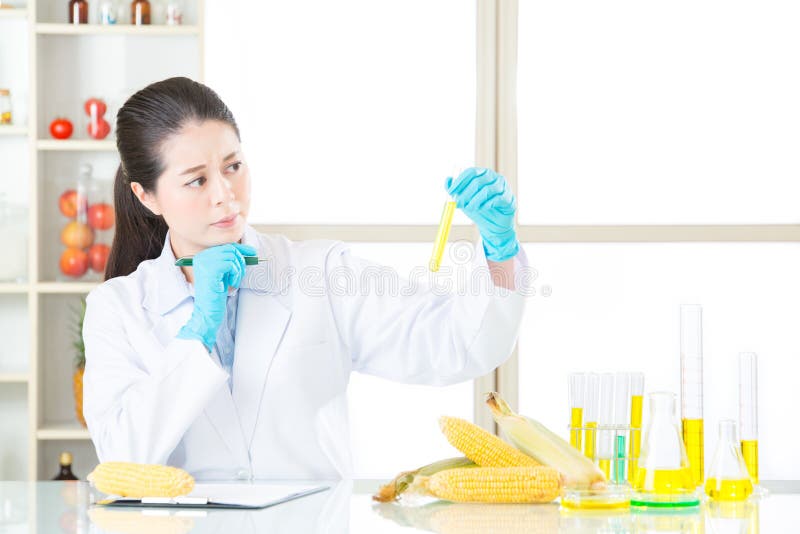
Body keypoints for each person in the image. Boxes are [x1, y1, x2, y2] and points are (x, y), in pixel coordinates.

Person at [82, 76, 531, 480]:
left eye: (233, 167)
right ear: (147, 196)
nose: (225, 195)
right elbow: (121, 456)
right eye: (197, 181)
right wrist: (197, 331)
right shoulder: (118, 308)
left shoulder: (321, 273)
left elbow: (460, 345)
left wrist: (499, 248)